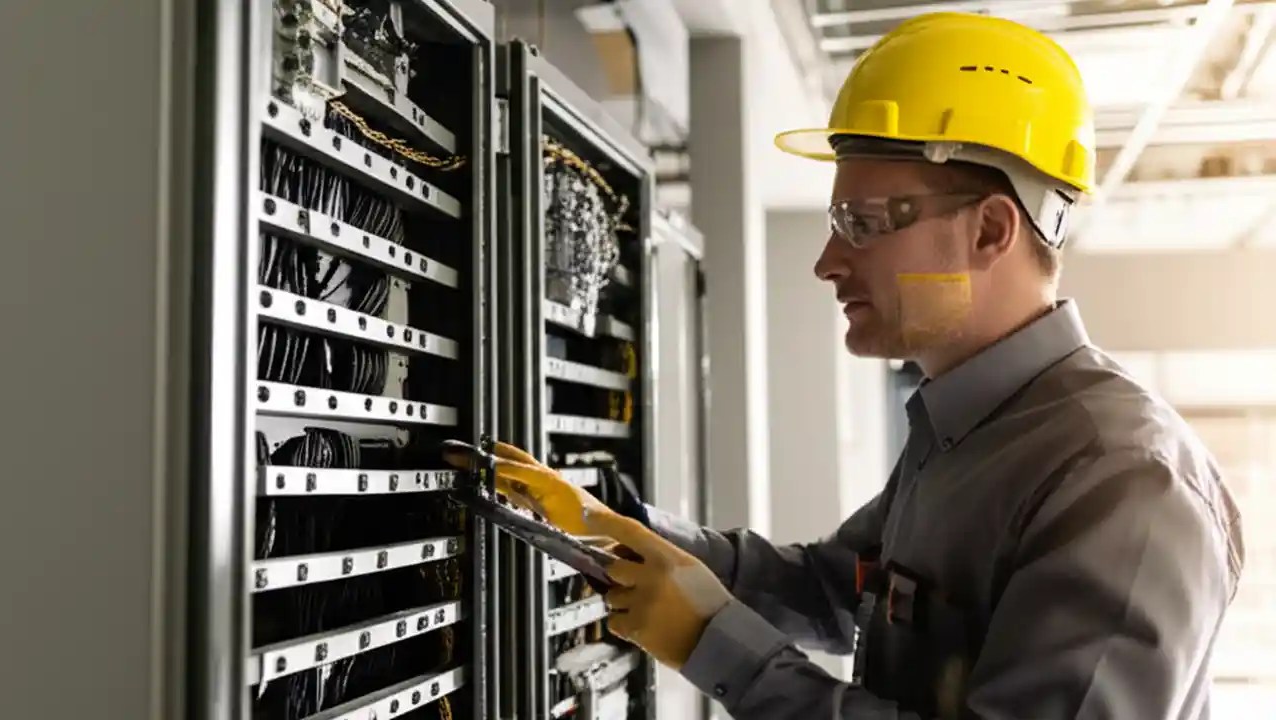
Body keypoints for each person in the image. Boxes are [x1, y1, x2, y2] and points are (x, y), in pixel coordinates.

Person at [446, 12, 1245, 719]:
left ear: (992, 232)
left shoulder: (1126, 482)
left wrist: (714, 644)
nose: (828, 261)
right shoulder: (966, 429)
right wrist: (613, 527)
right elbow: (833, 589)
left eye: (861, 222)